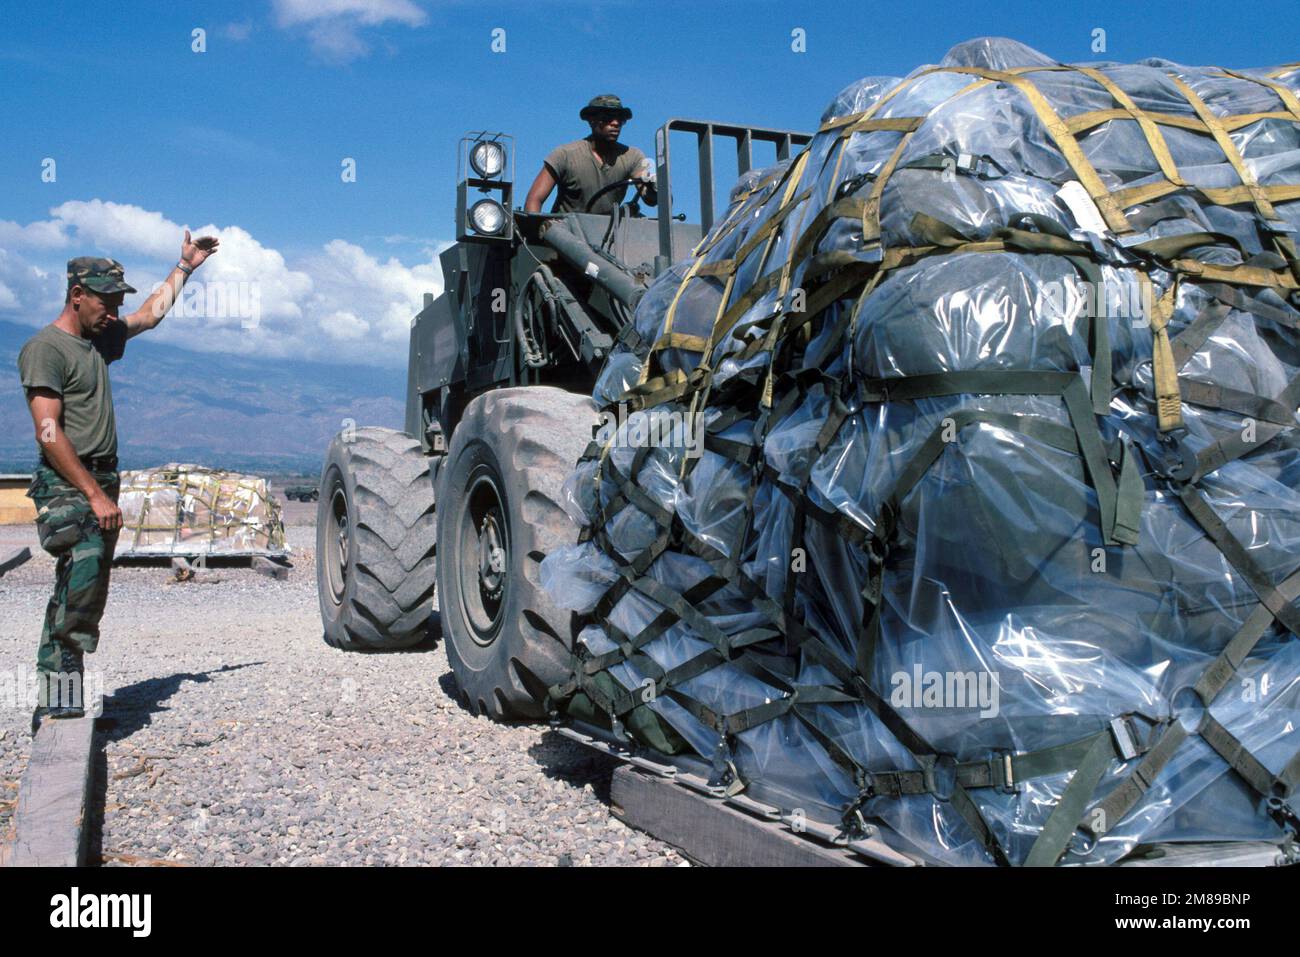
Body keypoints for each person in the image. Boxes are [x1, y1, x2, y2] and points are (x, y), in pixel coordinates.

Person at [17, 232, 220, 733]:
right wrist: (91, 492)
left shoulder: (98, 340)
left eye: (115, 301)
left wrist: (185, 267)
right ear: (76, 295)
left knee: (78, 588)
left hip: (101, 476)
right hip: (70, 481)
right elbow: (48, 431)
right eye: (105, 300)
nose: (112, 309)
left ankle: (57, 698)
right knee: (83, 586)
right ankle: (61, 703)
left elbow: (150, 313)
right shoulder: (46, 348)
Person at [524, 94, 658, 215]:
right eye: (607, 118)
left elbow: (650, 199)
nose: (615, 123)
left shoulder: (632, 156)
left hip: (610, 234)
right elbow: (534, 199)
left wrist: (655, 186)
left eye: (620, 119)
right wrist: (536, 230)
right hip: (566, 233)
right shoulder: (565, 155)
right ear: (591, 121)